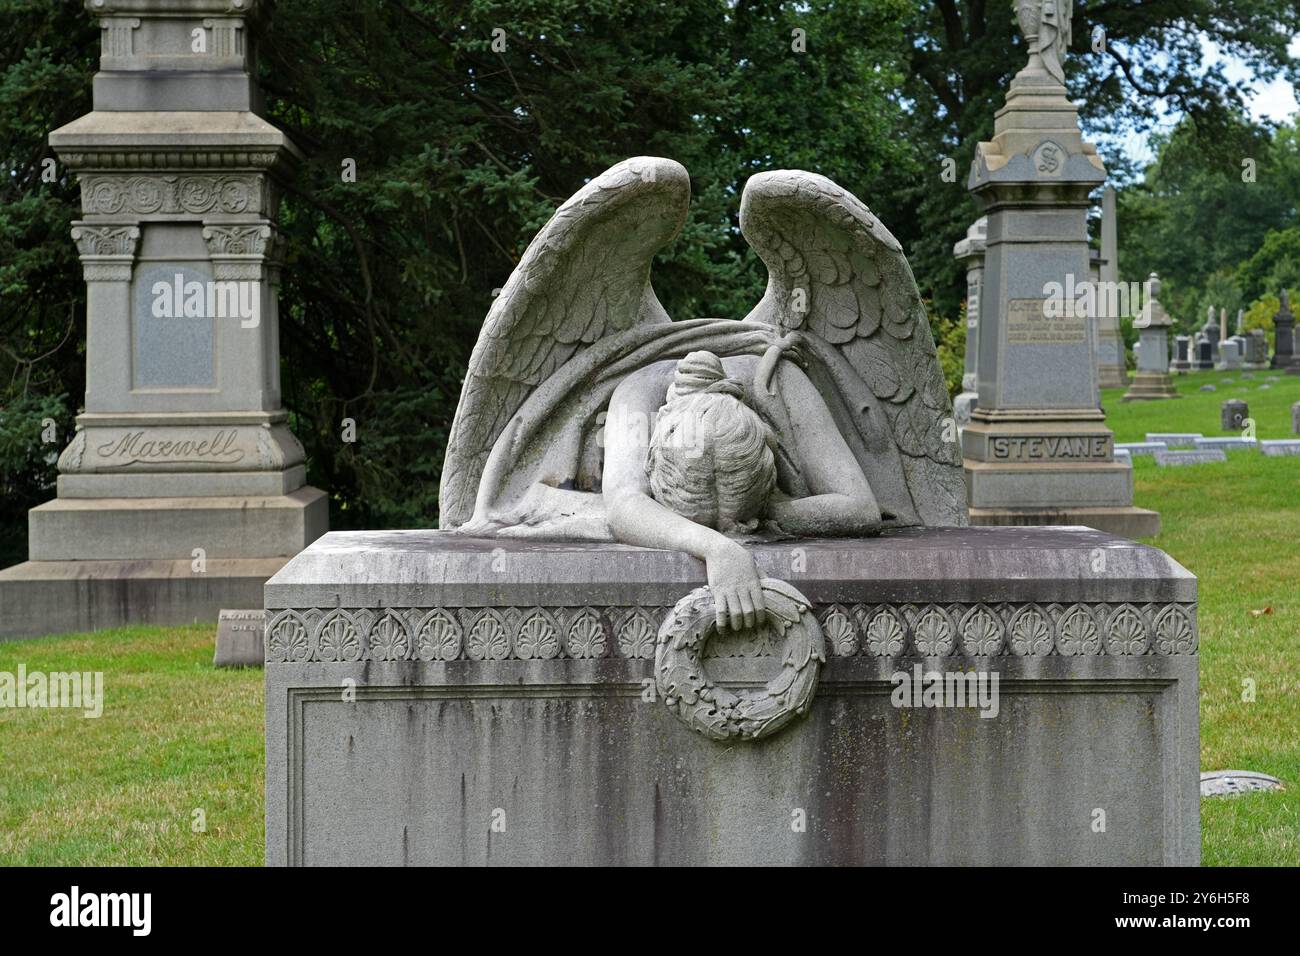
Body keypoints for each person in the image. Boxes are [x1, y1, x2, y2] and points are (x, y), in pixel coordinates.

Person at [604, 349, 881, 633]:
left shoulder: (783, 382)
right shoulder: (636, 394)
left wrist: (766, 511)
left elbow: (860, 507)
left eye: (740, 524)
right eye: (695, 521)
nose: (729, 532)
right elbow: (623, 503)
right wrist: (716, 548)